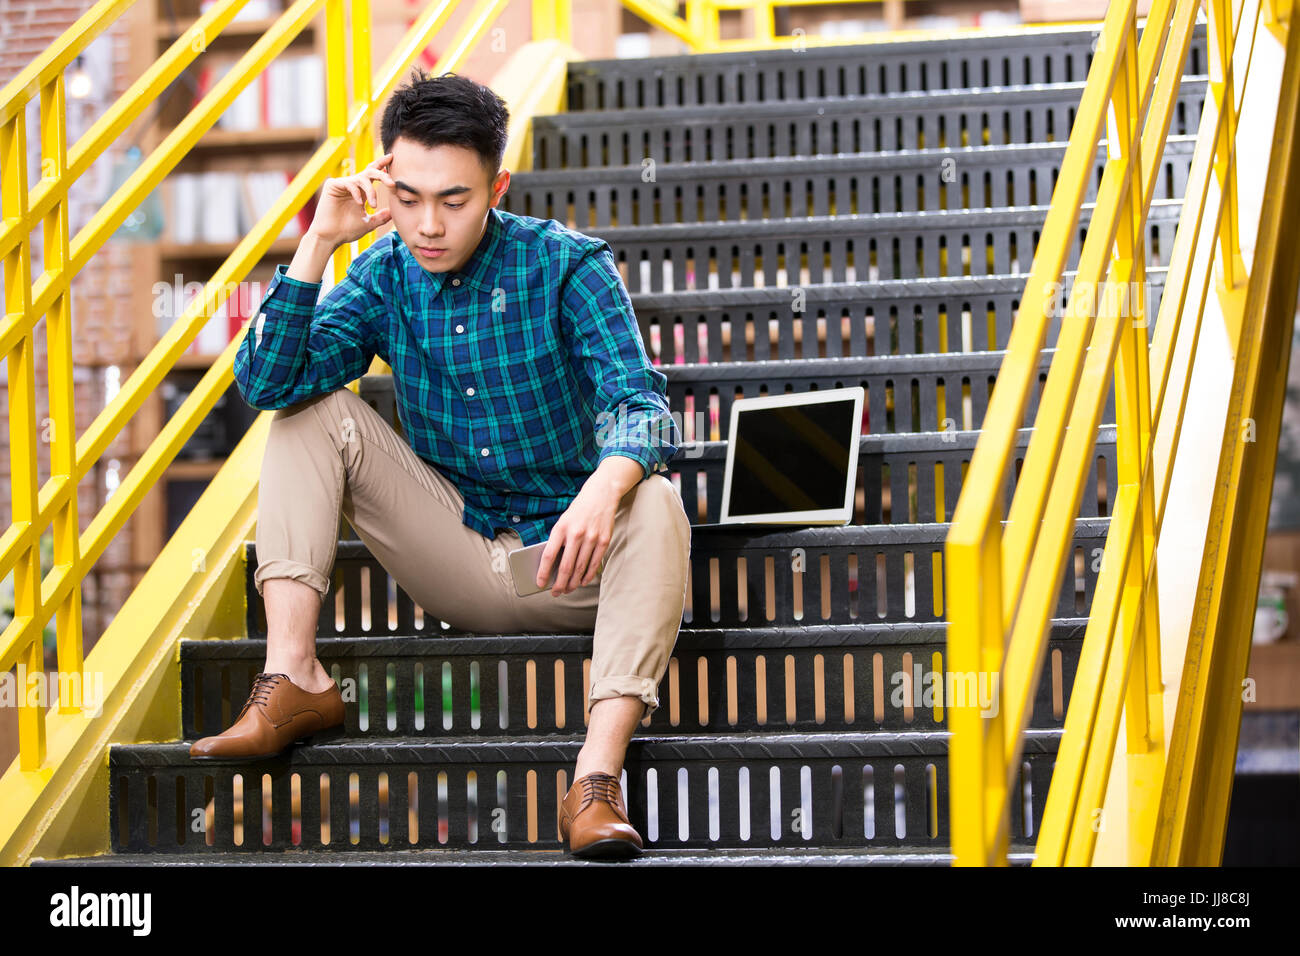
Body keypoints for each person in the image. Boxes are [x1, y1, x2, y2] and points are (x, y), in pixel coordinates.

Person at [188, 68, 691, 861]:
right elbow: (269, 384)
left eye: (454, 201)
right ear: (383, 180)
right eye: (408, 196)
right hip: (457, 553)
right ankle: (294, 679)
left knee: (658, 501)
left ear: (498, 186)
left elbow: (642, 403)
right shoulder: (381, 272)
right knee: (308, 411)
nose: (427, 224)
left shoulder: (567, 265)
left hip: (570, 567)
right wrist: (320, 241)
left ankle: (594, 783)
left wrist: (605, 485)